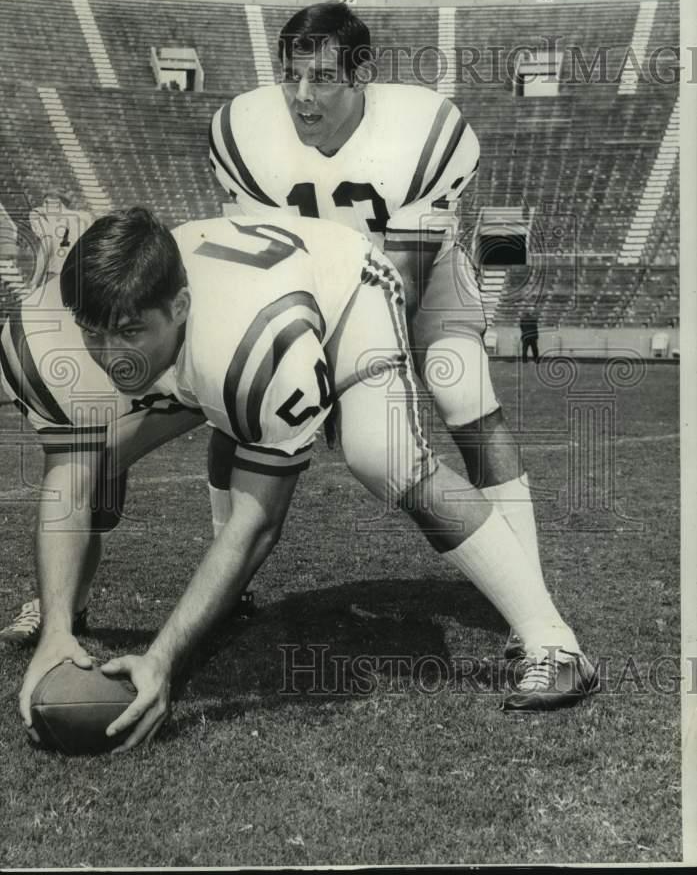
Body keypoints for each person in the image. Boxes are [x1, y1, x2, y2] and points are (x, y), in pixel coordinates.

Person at [4, 207, 596, 753]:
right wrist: (56, 632)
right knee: (98, 453)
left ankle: (553, 641)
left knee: (383, 455)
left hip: (344, 294)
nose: (112, 357)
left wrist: (162, 660)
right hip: (232, 328)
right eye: (93, 331)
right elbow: (70, 487)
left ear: (178, 306)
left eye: (130, 331)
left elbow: (257, 523)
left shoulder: (250, 346)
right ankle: (75, 612)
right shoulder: (51, 334)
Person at [209, 1, 543, 661]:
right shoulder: (242, 132)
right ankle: (228, 588)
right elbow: (255, 262)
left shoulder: (421, 130)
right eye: (290, 76)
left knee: (461, 394)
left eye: (323, 78)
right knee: (233, 409)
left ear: (361, 77)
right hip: (313, 280)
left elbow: (403, 286)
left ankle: (522, 580)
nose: (302, 98)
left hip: (417, 274)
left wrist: (345, 380)